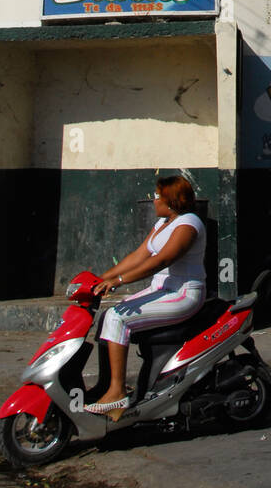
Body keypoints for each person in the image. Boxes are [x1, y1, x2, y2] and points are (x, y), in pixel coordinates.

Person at [86, 175, 207, 413]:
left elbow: (161, 260)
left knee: (118, 318)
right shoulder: (163, 223)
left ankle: (117, 392)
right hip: (161, 290)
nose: (153, 201)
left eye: (157, 196)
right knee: (107, 316)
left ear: (171, 200)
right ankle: (105, 386)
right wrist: (100, 280)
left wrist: (119, 281)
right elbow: (138, 256)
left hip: (183, 293)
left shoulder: (189, 224)